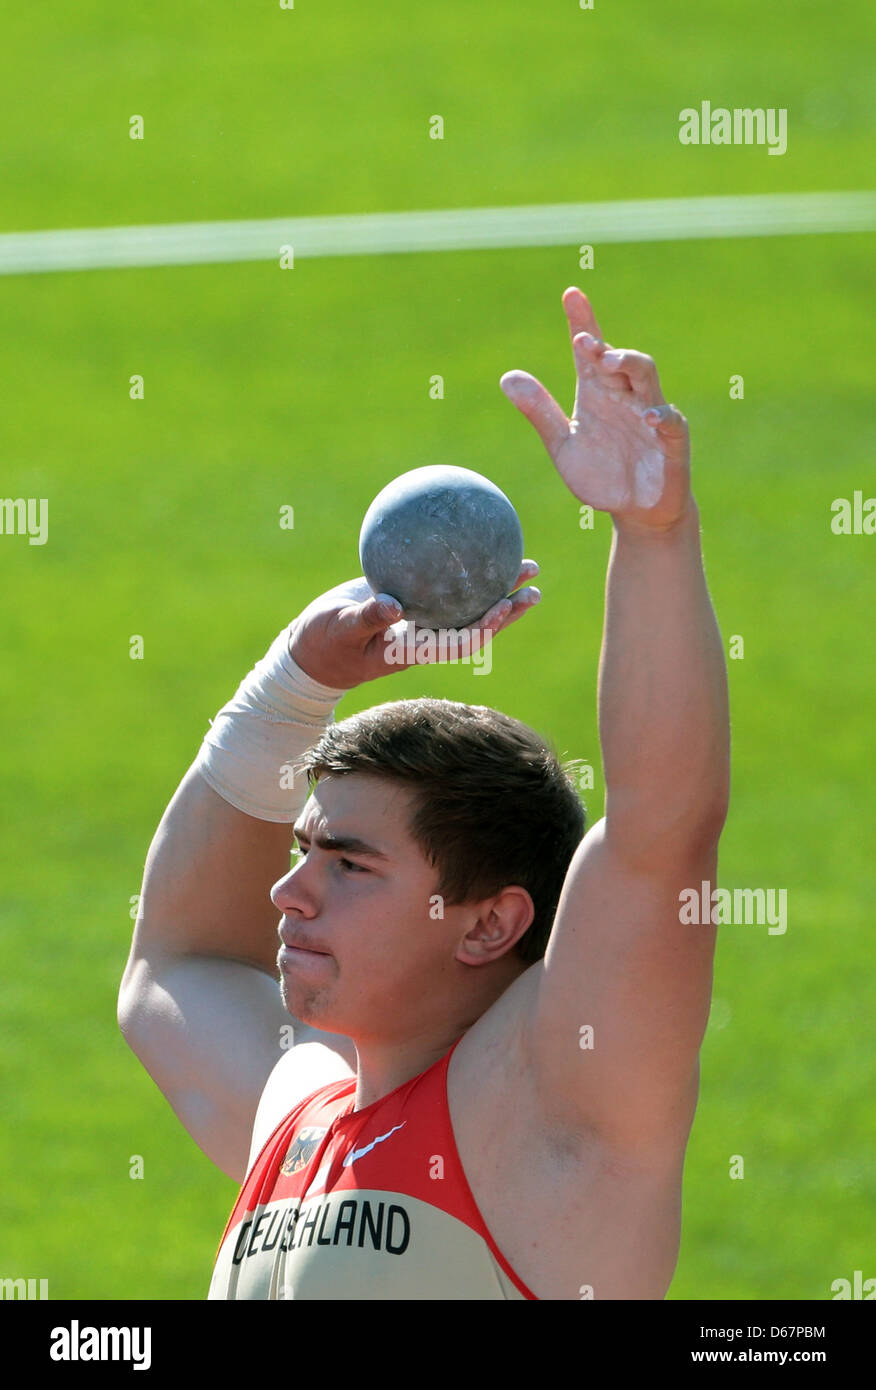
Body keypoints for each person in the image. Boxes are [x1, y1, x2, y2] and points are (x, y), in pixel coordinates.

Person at [118, 288, 730, 1300]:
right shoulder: (302, 1109)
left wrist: (653, 535)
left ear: (490, 922)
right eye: (305, 849)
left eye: (349, 862)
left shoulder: (553, 1121)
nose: (288, 892)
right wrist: (293, 683)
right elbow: (173, 964)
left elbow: (666, 831)